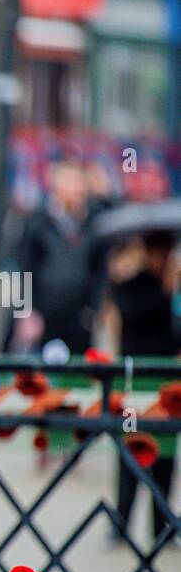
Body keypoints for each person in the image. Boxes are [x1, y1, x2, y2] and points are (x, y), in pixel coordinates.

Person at [109, 231, 179, 541]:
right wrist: (164, 293)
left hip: (165, 384)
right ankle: (121, 522)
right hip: (135, 382)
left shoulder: (174, 290)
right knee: (130, 452)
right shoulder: (133, 284)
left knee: (164, 456)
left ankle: (161, 525)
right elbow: (129, 314)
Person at [8, 160, 101, 356]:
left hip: (78, 320)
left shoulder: (92, 223)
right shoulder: (37, 222)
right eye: (72, 181)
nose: (78, 188)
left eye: (81, 182)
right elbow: (24, 269)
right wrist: (28, 312)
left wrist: (93, 308)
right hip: (44, 319)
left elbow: (98, 271)